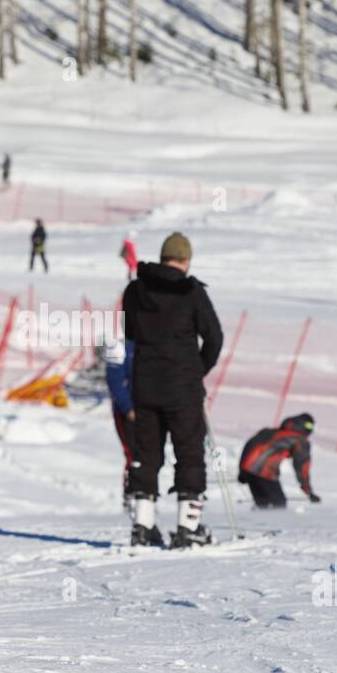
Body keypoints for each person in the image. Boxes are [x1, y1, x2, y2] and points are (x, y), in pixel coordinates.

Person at [123, 232, 223, 548]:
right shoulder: (192, 292)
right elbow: (215, 337)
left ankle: (142, 525)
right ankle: (187, 527)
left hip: (145, 384)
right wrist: (197, 370)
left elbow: (128, 333)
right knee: (189, 453)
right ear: (186, 260)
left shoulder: (135, 290)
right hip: (183, 389)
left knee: (145, 454)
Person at [237, 414, 320, 508]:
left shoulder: (270, 432)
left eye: (312, 426)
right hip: (264, 473)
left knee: (263, 504)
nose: (311, 429)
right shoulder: (300, 440)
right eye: (309, 426)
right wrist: (308, 490)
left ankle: (257, 520)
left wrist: (242, 471)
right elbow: (302, 465)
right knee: (278, 504)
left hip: (248, 471)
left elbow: (249, 446)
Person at [103, 337, 136, 510]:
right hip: (127, 413)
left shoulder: (155, 341)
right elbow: (114, 379)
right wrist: (128, 407)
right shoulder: (118, 347)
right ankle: (132, 494)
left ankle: (147, 496)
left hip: (151, 410)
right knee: (133, 454)